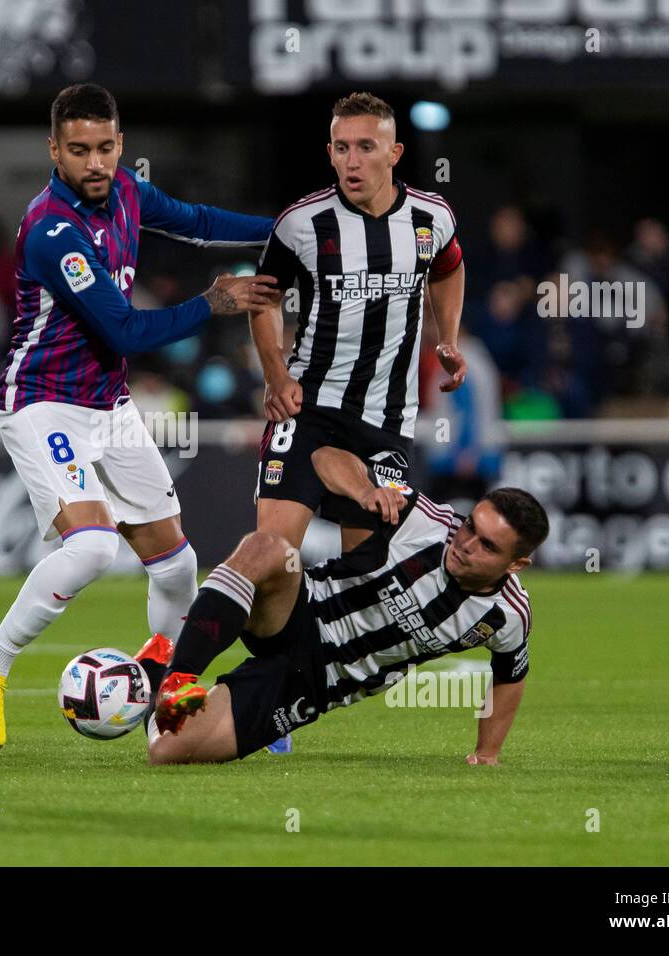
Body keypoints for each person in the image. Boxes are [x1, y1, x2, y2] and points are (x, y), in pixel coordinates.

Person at [0, 82, 278, 750]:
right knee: (96, 547)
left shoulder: (129, 192)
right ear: (54, 150)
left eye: (106, 147)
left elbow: (196, 221)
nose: (96, 163)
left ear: (120, 144)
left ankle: (166, 681)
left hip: (108, 405)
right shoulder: (53, 230)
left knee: (176, 568)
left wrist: (288, 231)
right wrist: (212, 302)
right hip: (43, 400)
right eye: (80, 150)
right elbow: (127, 333)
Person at [242, 91, 468, 750]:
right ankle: (263, 691)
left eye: (366, 147)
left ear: (394, 153)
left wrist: (446, 337)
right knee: (271, 555)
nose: (352, 160)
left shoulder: (430, 218)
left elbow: (450, 268)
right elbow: (262, 298)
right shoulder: (302, 224)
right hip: (308, 414)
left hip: (386, 427)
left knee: (368, 574)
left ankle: (294, 678)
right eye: (341, 147)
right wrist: (276, 374)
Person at [147, 446, 545, 765]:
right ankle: (177, 679)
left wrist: (487, 753)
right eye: (471, 526)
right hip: (300, 608)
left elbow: (509, 674)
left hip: (318, 681)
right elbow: (323, 457)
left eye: (488, 546)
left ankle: (151, 669)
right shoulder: (419, 517)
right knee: (267, 547)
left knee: (167, 749)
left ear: (516, 565)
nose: (467, 543)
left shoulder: (508, 615)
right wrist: (363, 490)